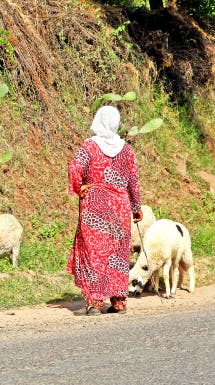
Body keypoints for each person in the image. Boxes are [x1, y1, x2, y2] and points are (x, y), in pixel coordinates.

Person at [66, 105, 142, 316]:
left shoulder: (89, 147)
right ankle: (119, 302)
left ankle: (94, 303)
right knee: (117, 254)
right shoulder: (127, 150)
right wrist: (136, 207)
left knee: (94, 253)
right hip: (119, 207)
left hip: (94, 206)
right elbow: (133, 181)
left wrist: (78, 188)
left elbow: (74, 168)